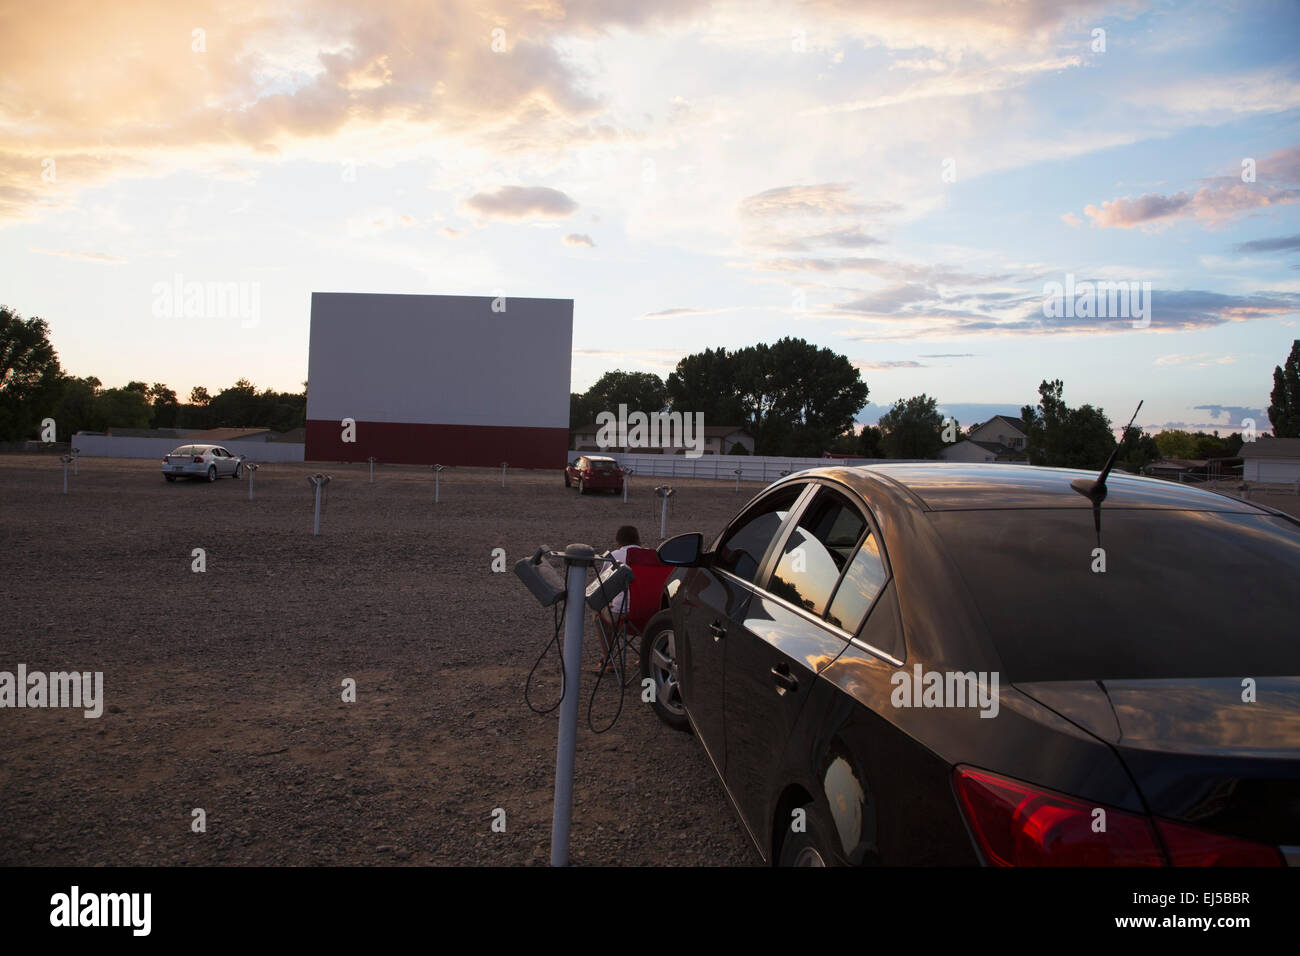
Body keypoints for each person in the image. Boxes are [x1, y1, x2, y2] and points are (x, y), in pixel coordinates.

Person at [592, 525, 642, 672]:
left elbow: (601, 587)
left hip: (622, 615)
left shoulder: (614, 556)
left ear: (618, 543)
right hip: (650, 615)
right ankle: (647, 654)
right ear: (639, 541)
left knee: (597, 612)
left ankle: (608, 659)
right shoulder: (651, 556)